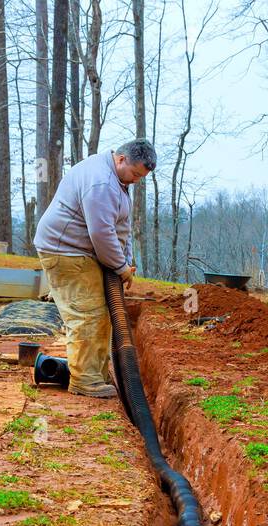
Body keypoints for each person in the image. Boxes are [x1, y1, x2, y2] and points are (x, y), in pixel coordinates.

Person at [34, 140, 156, 398]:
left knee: (100, 314)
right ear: (121, 159)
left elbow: (120, 228)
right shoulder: (101, 183)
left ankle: (96, 375)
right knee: (86, 314)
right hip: (66, 251)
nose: (136, 180)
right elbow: (101, 234)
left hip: (80, 251)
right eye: (135, 174)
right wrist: (120, 267)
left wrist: (127, 262)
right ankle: (85, 381)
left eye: (141, 177)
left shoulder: (118, 179)